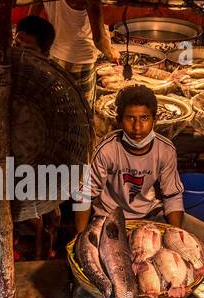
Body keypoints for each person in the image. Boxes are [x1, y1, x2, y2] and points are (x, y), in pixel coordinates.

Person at [74, 85, 185, 232]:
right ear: (118, 120)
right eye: (130, 118)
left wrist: (176, 234)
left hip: (149, 215)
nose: (137, 127)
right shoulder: (107, 149)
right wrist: (80, 236)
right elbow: (85, 194)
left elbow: (172, 196)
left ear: (155, 120)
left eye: (144, 118)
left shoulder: (165, 149)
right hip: (110, 217)